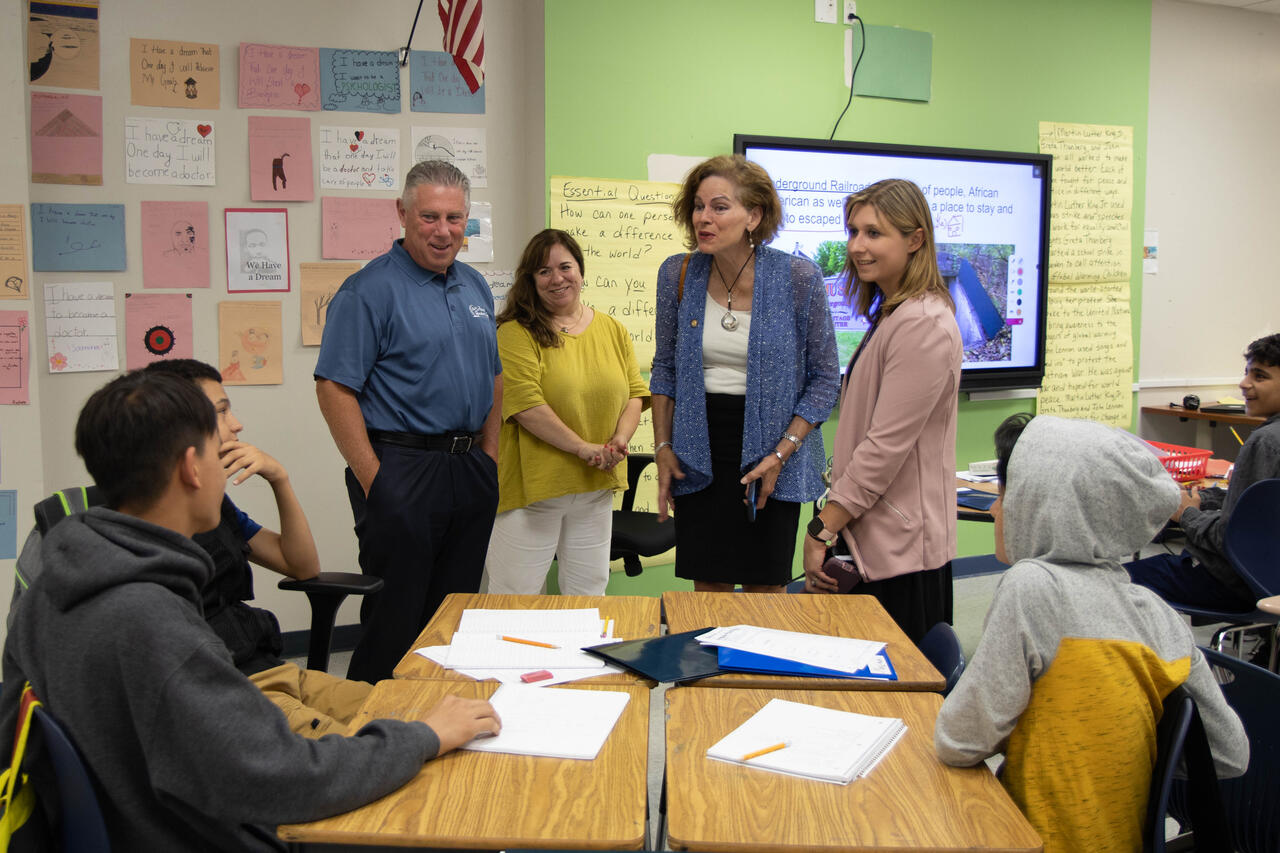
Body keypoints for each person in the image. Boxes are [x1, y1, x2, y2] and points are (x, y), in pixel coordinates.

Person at [0, 370, 500, 850]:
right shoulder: (153, 622)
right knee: (457, 802)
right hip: (233, 832)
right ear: (192, 469)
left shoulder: (56, 588)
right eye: (218, 450)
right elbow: (284, 779)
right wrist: (423, 739)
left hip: (161, 817)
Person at [935, 413, 1248, 853]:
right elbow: (1230, 755)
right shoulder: (1159, 617)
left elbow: (958, 741)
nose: (994, 508)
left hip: (1029, 836)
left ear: (1043, 504)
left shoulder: (1034, 588)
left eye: (1008, 494)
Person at [315, 159, 501, 683]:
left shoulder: (475, 287)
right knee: (395, 616)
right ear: (402, 214)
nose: (443, 231)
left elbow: (494, 375)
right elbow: (333, 387)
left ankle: (438, 724)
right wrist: (377, 480)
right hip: (401, 466)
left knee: (454, 616)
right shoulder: (367, 290)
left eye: (455, 218)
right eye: (429, 217)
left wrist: (489, 459)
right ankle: (370, 730)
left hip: (467, 470)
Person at [143, 359, 370, 737]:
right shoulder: (150, 526)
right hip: (239, 692)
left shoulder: (212, 505)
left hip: (275, 671)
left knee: (405, 706)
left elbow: (302, 567)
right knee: (378, 750)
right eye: (221, 411)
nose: (236, 424)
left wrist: (279, 479)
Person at [650, 155, 839, 592]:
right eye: (698, 206)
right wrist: (662, 446)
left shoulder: (798, 277)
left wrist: (780, 454)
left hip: (775, 453)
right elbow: (666, 369)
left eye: (719, 206)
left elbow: (826, 379)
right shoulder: (678, 274)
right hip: (699, 448)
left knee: (764, 594)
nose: (704, 218)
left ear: (754, 215)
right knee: (707, 595)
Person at [802, 178, 963, 644]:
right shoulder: (895, 314)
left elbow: (884, 447)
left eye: (874, 233)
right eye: (853, 232)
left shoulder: (924, 325)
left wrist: (822, 527)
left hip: (903, 552)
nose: (857, 246)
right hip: (875, 533)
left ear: (915, 240)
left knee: (898, 696)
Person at [486, 229, 650, 594]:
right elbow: (526, 405)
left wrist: (619, 440)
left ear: (580, 269)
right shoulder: (515, 333)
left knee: (589, 595)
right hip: (534, 490)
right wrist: (583, 447)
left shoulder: (611, 329)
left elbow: (634, 395)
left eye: (565, 267)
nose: (557, 278)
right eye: (544, 271)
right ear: (531, 280)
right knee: (515, 599)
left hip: (594, 486)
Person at [1126, 332, 1280, 612]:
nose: (1244, 384)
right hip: (1270, 580)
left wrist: (1186, 514)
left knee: (1117, 581)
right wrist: (1205, 500)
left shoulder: (1266, 441)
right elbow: (1258, 507)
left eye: (1259, 376)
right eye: (1247, 373)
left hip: (1235, 583)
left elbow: (1230, 541)